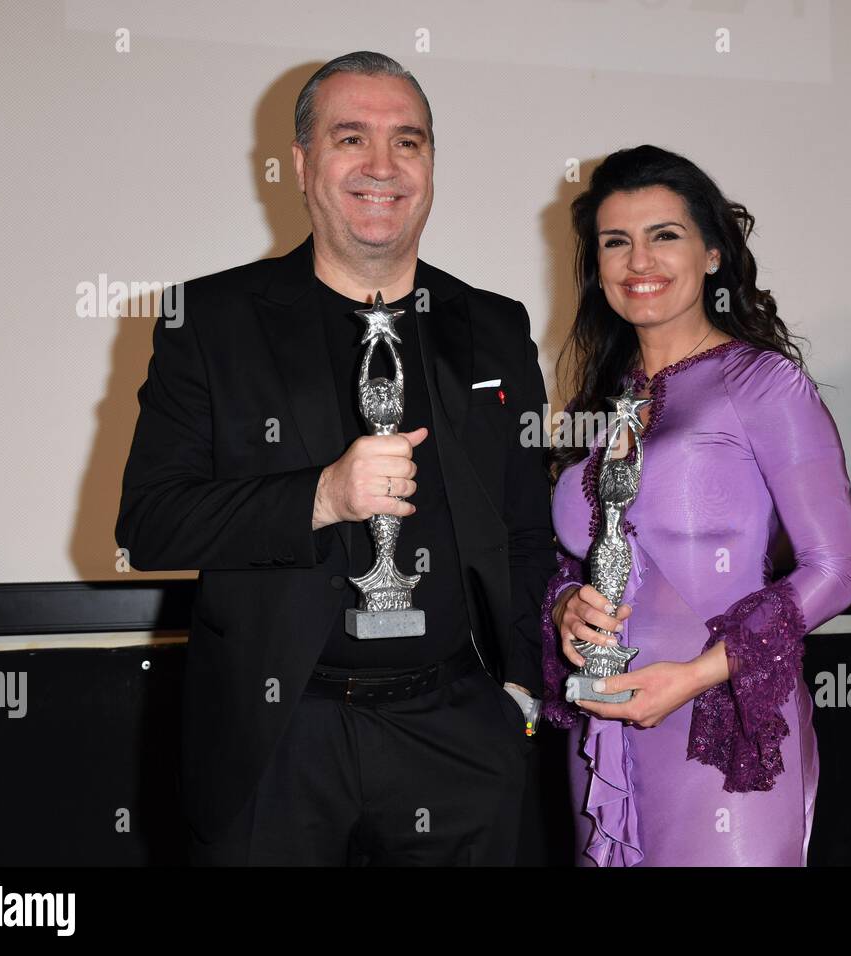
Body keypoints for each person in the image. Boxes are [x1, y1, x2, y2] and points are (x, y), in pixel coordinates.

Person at [115, 51, 554, 865]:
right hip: (276, 740)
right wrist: (319, 494)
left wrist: (519, 690)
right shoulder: (210, 320)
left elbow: (526, 521)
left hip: (458, 733)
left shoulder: (492, 324)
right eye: (352, 138)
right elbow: (150, 524)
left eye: (409, 143)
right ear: (301, 164)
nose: (383, 166)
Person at [541, 145, 851, 866]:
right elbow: (587, 556)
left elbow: (836, 570)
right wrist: (567, 608)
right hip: (608, 730)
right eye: (615, 242)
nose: (638, 261)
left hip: (718, 725)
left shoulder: (764, 384)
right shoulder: (606, 401)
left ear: (713, 254)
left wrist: (691, 677)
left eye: (665, 235)